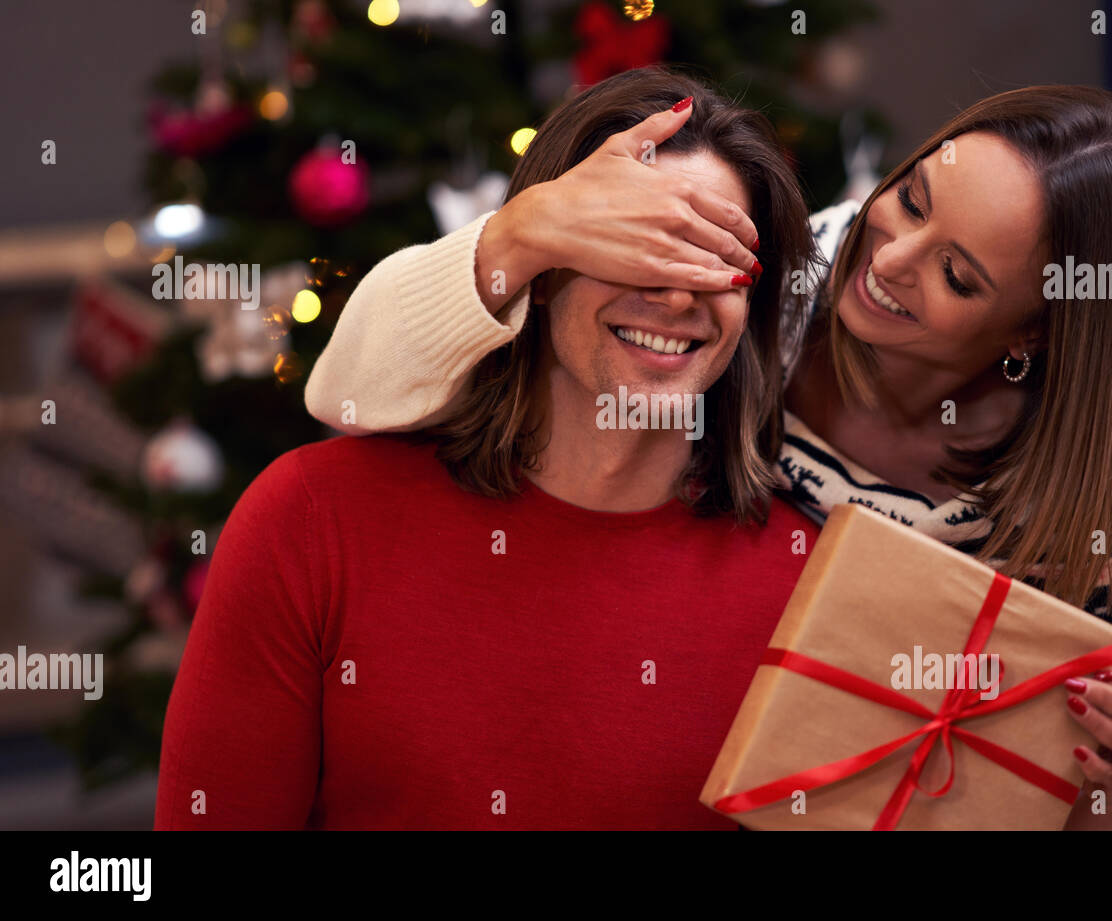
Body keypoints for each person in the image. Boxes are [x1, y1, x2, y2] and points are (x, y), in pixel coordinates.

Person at [306, 73, 1112, 829]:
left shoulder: (1056, 525)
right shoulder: (764, 280)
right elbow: (346, 390)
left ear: (1038, 333)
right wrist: (522, 232)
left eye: (958, 274)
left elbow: (1016, 810)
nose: (892, 258)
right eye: (908, 199)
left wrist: (1111, 787)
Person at [155, 70, 819, 830]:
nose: (675, 294)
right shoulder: (310, 522)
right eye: (634, 243)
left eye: (714, 258)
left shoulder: (808, 589)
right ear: (536, 268)